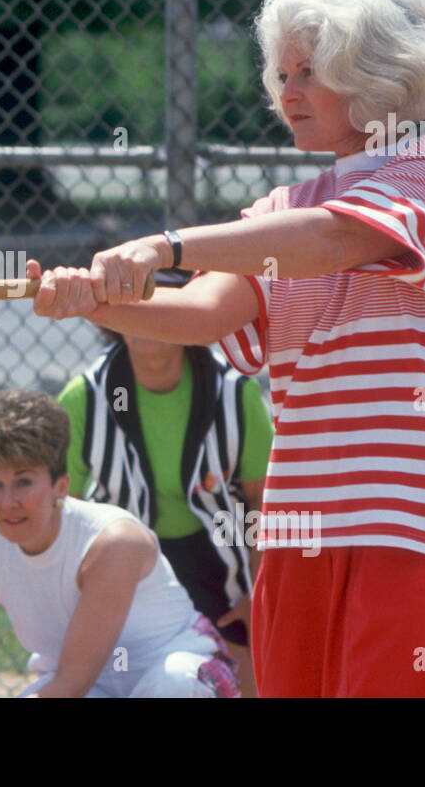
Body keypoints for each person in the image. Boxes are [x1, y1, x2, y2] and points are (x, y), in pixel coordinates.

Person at [29, 0, 425, 698]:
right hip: (301, 523)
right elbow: (202, 314)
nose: (285, 92)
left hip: (421, 516)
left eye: (309, 72)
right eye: (281, 72)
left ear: (374, 70)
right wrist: (87, 301)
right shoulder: (282, 207)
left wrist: (164, 247)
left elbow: (332, 242)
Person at [0, 389, 239, 698]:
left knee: (173, 684)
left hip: (183, 675)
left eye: (23, 481)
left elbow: (70, 684)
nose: (8, 501)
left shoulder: (112, 540)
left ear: (61, 485)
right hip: (85, 688)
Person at [57, 268, 273, 697]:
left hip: (220, 572)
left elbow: (264, 505)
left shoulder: (235, 394)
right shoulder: (84, 398)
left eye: (157, 300)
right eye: (126, 303)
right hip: (126, 574)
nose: (141, 314)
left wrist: (259, 598)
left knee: (254, 680)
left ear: (189, 313)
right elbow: (62, 511)